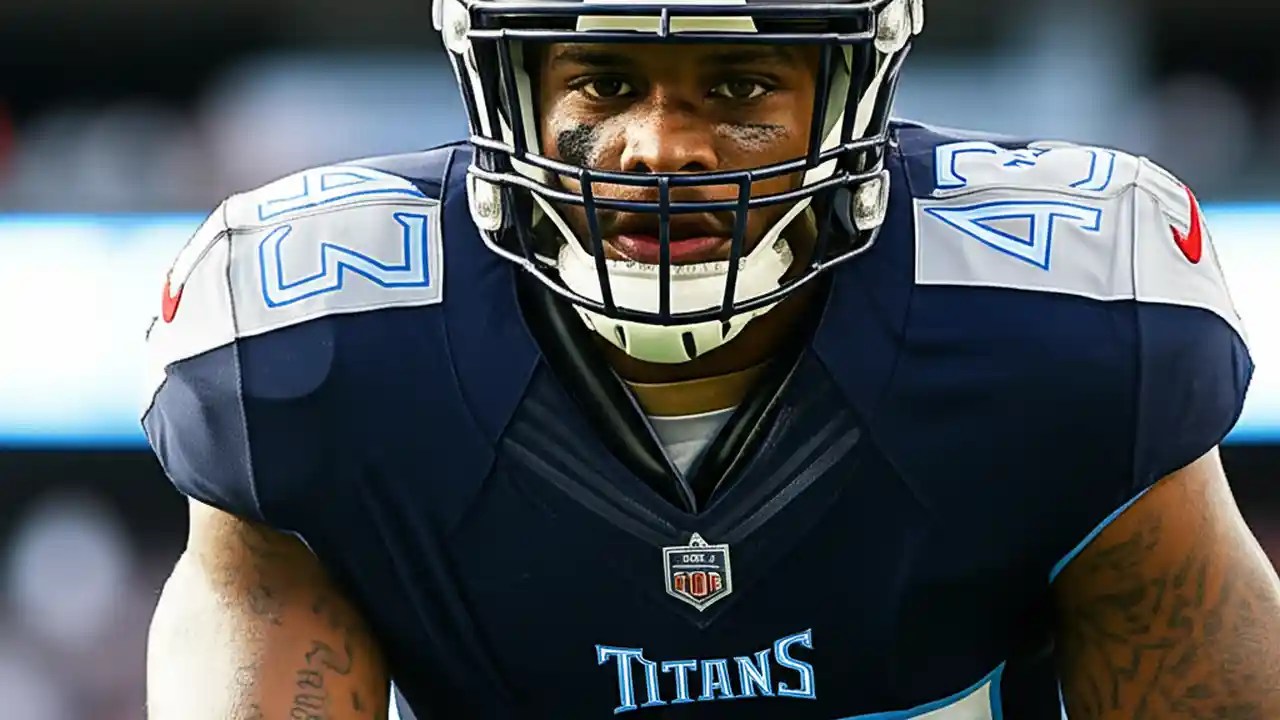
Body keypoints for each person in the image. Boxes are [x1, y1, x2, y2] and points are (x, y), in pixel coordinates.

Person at [141, 0, 1280, 718]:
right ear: (508, 86)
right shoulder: (308, 349)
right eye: (603, 81)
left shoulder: (1069, 330)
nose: (663, 147)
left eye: (737, 89)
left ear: (850, 94)